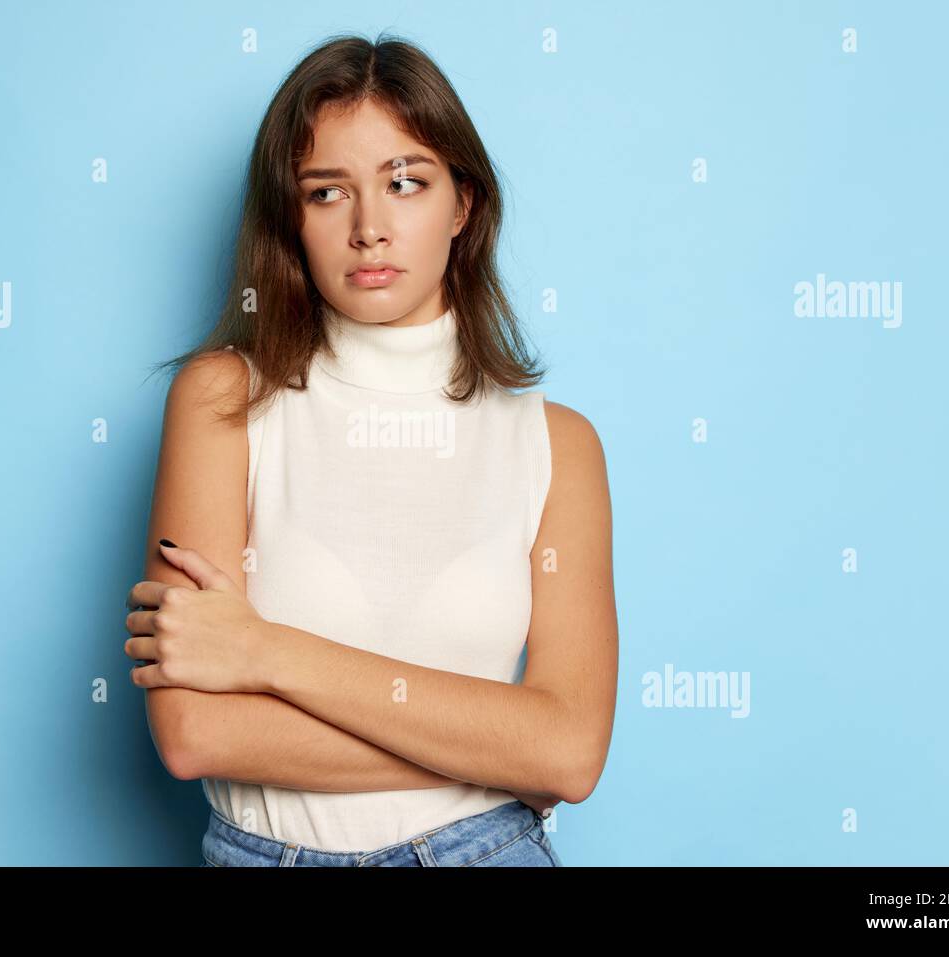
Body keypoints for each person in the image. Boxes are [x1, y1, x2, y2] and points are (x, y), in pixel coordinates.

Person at [124, 33, 618, 867]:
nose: (369, 228)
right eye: (327, 192)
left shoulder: (555, 445)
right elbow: (194, 732)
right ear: (292, 215)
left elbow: (569, 752)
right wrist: (494, 748)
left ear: (462, 204)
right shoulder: (222, 402)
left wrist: (263, 650)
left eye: (405, 183)